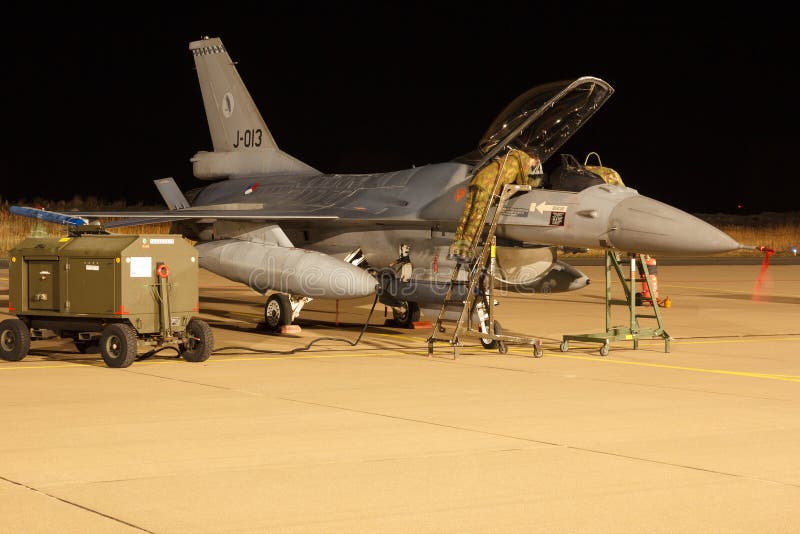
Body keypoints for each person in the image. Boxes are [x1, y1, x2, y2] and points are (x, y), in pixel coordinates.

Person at [448, 149, 541, 262]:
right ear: (533, 158)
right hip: (487, 186)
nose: (531, 166)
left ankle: (455, 251)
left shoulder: (511, 157)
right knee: (476, 219)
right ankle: (464, 253)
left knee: (466, 217)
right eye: (533, 164)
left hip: (478, 181)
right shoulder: (523, 158)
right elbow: (523, 182)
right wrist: (536, 182)